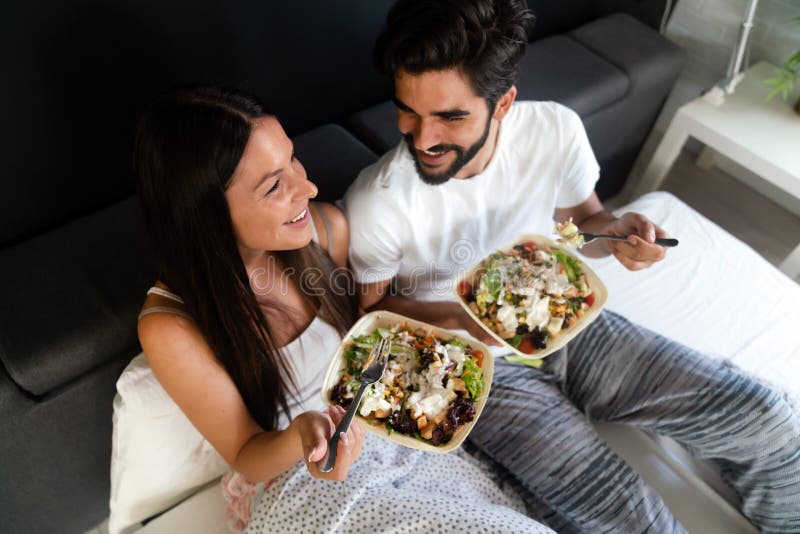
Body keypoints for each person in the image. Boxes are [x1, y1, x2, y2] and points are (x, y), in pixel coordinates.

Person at [343, 1, 800, 532]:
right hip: (469, 366)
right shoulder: (378, 201)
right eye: (407, 111)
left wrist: (620, 233)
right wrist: (462, 320)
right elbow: (372, 312)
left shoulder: (555, 130)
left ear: (504, 103)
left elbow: (583, 224)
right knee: (634, 517)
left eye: (450, 116)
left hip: (560, 315)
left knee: (766, 418)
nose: (422, 140)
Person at [133, 86, 553, 533]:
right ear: (206, 214)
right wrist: (304, 434)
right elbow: (246, 455)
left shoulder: (324, 231)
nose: (307, 187)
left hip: (391, 437)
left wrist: (454, 316)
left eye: (293, 159)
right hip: (300, 480)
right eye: (275, 185)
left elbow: (370, 331)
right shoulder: (172, 325)